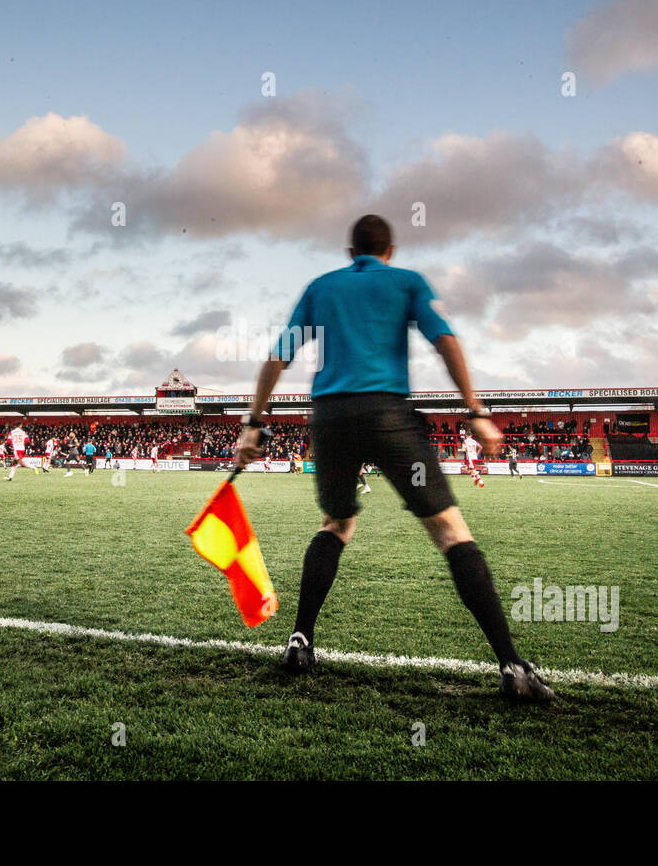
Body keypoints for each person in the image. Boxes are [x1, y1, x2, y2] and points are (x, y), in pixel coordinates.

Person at [235, 214, 553, 703]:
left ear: (350, 253)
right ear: (390, 249)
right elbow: (445, 340)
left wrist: (253, 424)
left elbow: (279, 354)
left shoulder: (321, 286)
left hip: (332, 418)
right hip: (388, 413)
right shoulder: (407, 282)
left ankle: (300, 640)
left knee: (335, 525)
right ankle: (512, 665)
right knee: (449, 531)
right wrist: (475, 410)